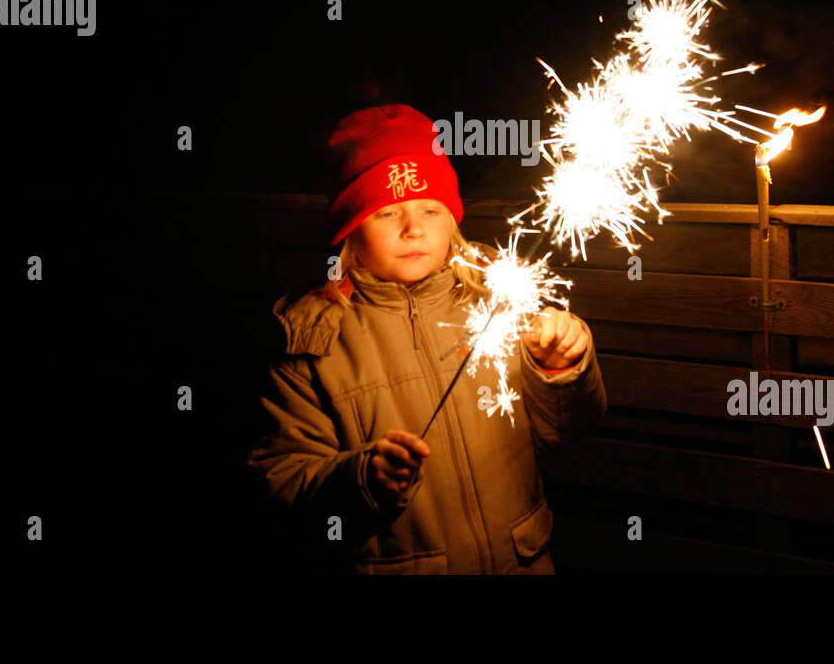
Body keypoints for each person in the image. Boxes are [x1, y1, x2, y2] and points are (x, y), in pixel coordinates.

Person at [247, 103, 606, 573]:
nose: (413, 228)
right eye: (386, 212)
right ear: (351, 229)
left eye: (430, 209)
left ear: (451, 219)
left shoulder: (498, 299)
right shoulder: (312, 341)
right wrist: (361, 480)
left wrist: (558, 369)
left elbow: (568, 435)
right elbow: (281, 484)